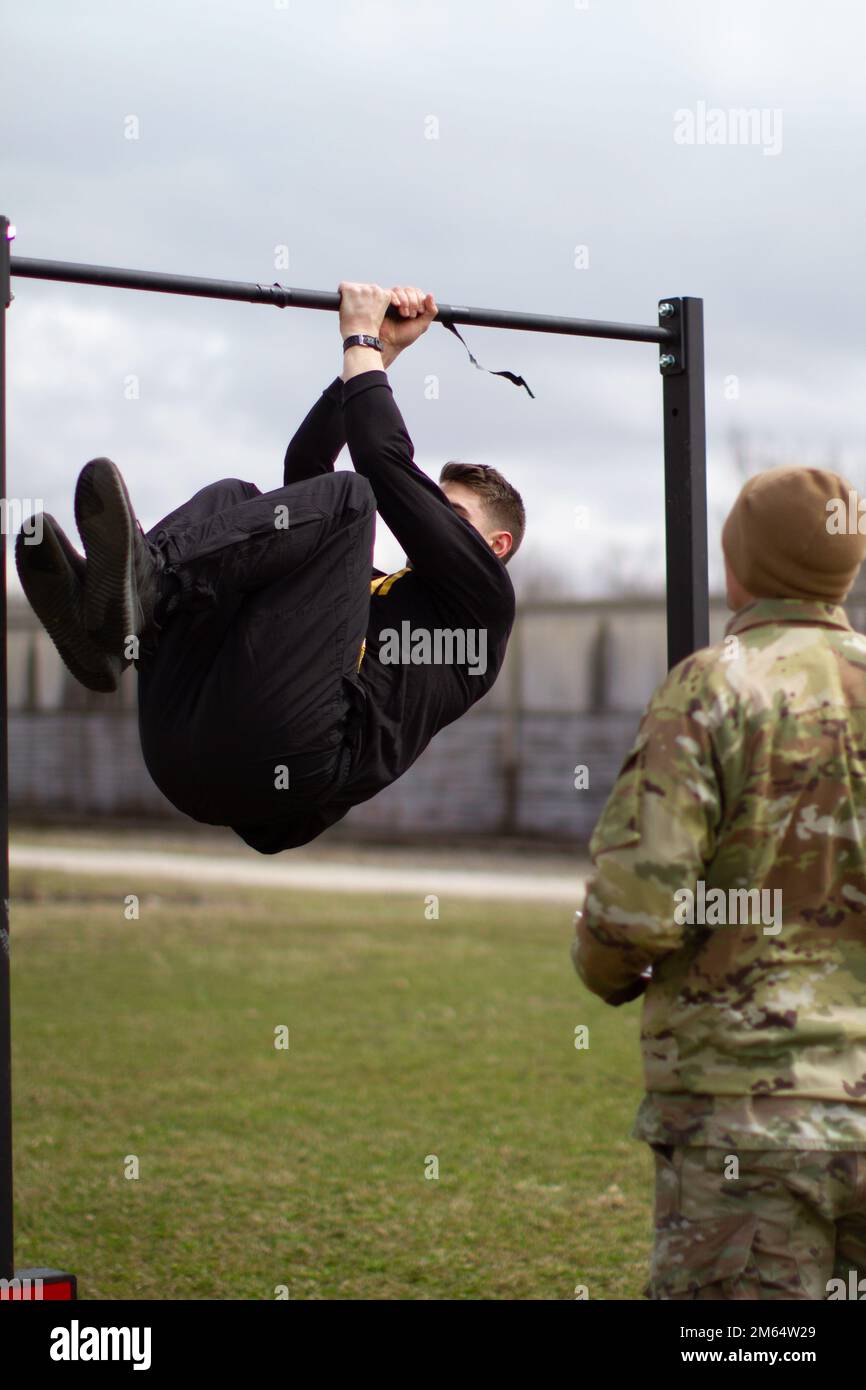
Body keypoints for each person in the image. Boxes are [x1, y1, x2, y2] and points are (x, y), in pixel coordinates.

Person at [16, 282, 525, 852]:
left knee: (352, 499)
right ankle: (119, 623)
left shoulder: (483, 606)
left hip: (295, 758)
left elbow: (378, 464)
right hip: (186, 745)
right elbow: (307, 465)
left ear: (497, 545)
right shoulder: (360, 590)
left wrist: (358, 339)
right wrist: (381, 351)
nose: (436, 519)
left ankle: (149, 586)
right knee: (238, 499)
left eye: (453, 513)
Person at [572, 464, 866, 1301]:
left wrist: (602, 970)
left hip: (747, 1116)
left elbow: (634, 912)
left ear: (740, 566)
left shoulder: (714, 686)